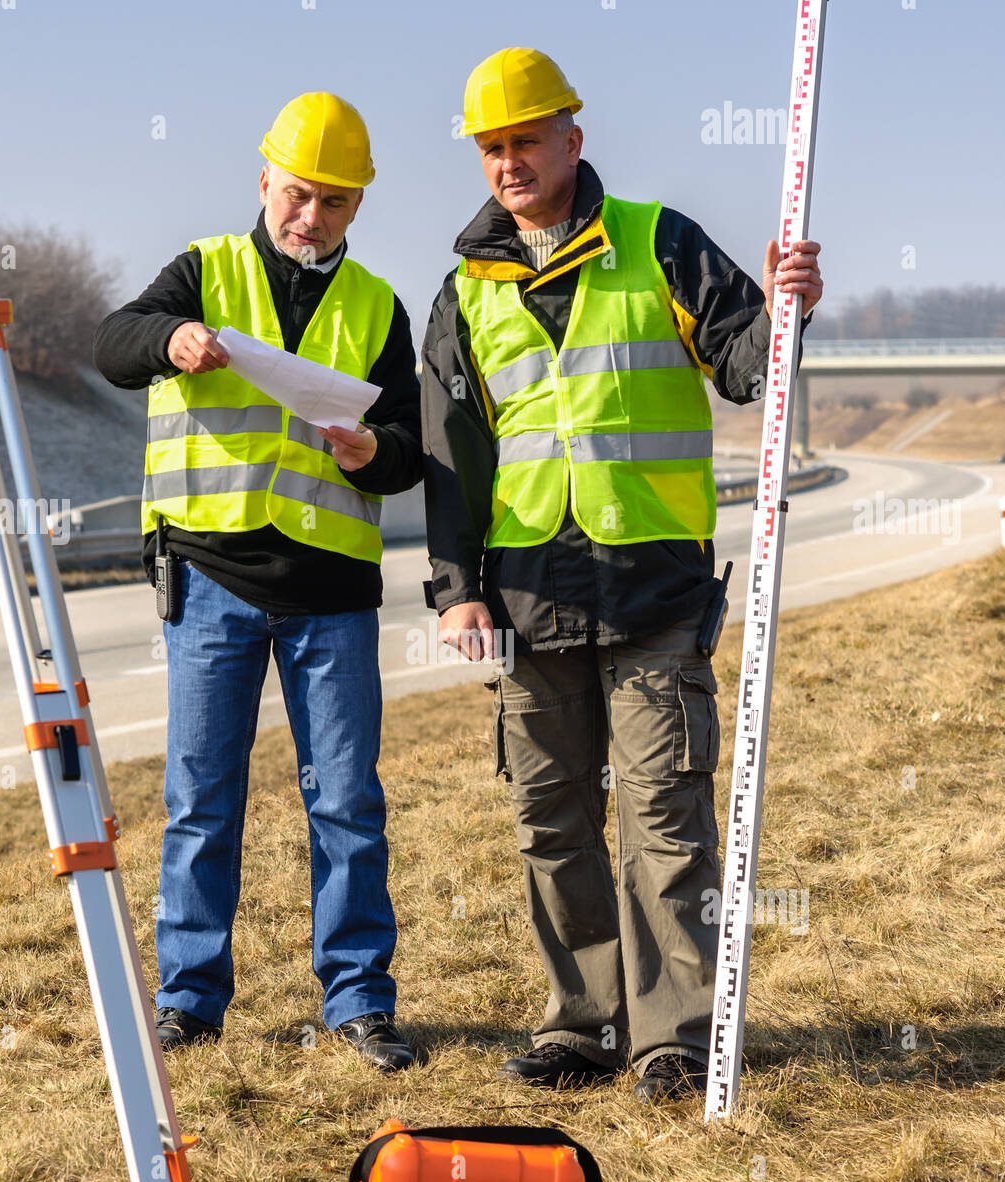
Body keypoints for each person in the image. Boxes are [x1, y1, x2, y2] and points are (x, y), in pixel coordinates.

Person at [421, 48, 823, 1101]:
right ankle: (584, 1022)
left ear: (570, 140)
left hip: (652, 590)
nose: (509, 162)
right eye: (491, 146)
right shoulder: (462, 291)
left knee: (663, 823)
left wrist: (784, 308)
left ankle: (674, 1039)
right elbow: (450, 455)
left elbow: (744, 361)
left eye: (525, 140)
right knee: (551, 823)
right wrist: (452, 585)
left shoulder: (659, 241)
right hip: (526, 598)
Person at [93, 92, 423, 1070]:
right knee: (201, 797)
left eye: (331, 201)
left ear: (356, 207)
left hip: (331, 595)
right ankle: (188, 999)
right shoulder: (204, 271)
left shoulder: (377, 307)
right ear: (264, 182)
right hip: (212, 577)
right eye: (296, 194)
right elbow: (114, 342)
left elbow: (412, 448)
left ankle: (359, 1000)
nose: (308, 216)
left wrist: (374, 451)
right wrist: (169, 341)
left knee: (347, 803)